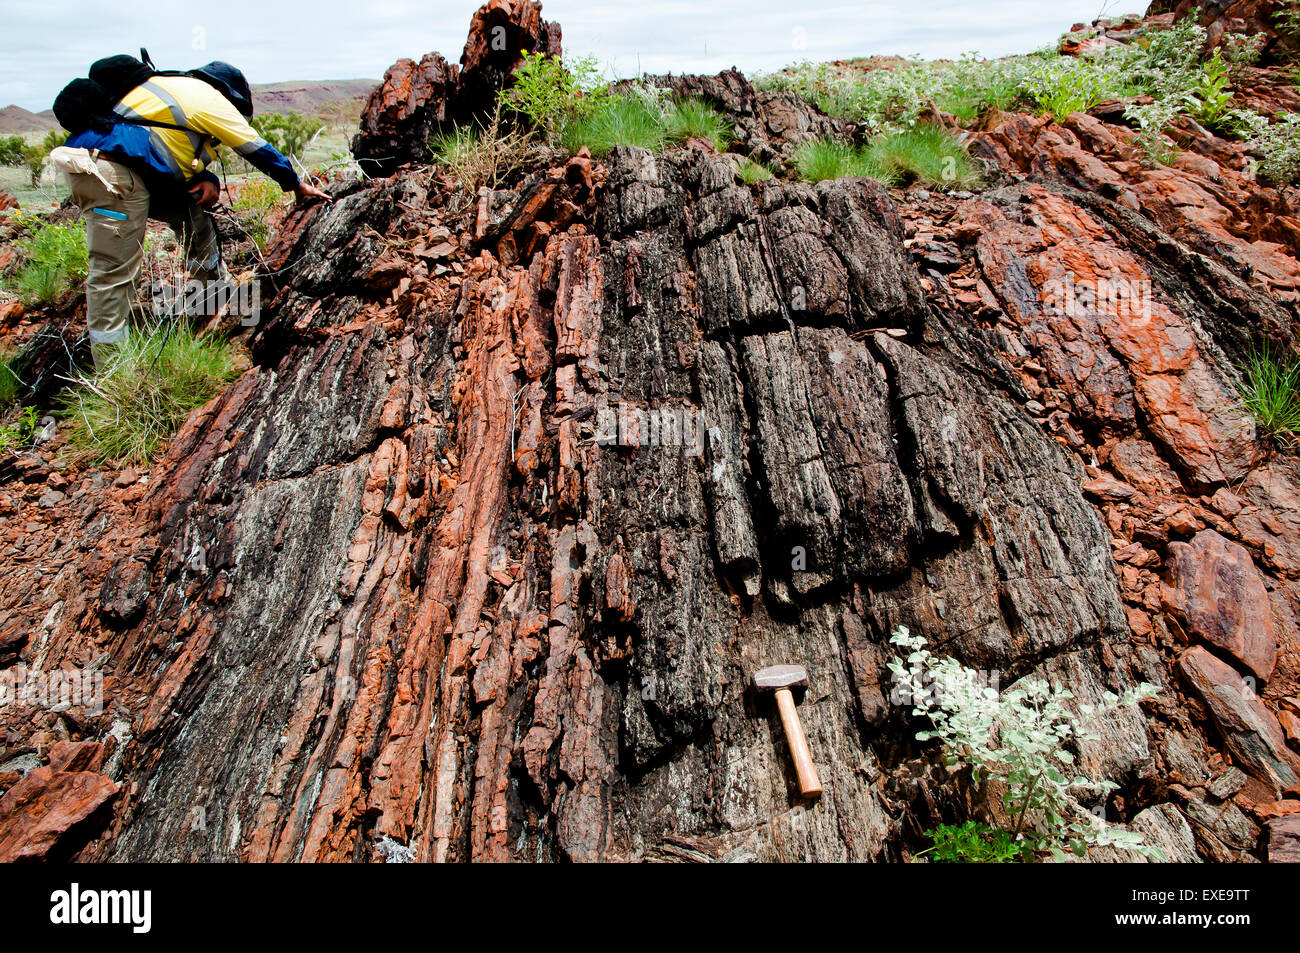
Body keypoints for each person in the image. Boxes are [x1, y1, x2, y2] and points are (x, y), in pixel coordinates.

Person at [58, 58, 331, 366]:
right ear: (232, 95)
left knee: (194, 214)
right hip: (108, 173)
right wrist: (294, 183)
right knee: (114, 271)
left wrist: (208, 179)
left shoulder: (171, 91)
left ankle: (212, 309)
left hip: (130, 170)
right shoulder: (207, 98)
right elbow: (255, 147)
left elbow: (162, 152)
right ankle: (114, 372)